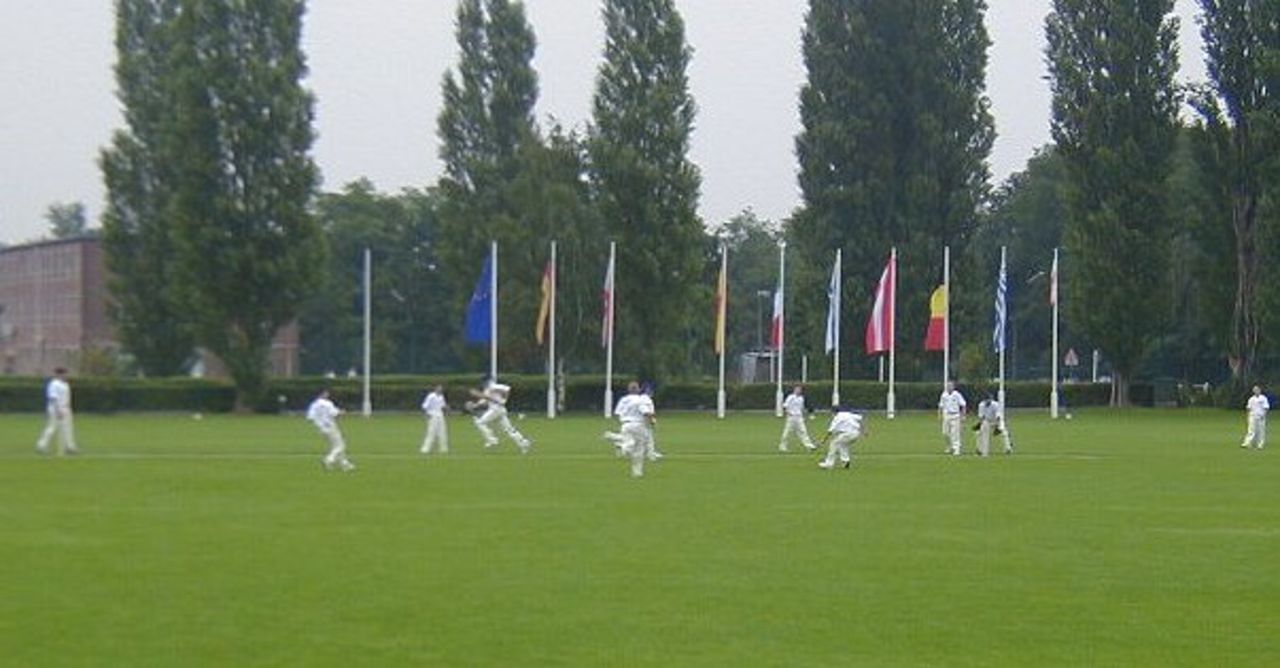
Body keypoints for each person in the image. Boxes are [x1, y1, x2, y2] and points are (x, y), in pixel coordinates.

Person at [605, 381, 656, 477]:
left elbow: (618, 413)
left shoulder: (624, 400)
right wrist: (651, 419)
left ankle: (622, 445)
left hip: (625, 425)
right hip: (638, 424)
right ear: (638, 389)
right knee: (639, 449)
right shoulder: (640, 400)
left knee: (629, 441)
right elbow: (645, 412)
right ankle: (637, 471)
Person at [471, 378, 532, 453]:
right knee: (509, 430)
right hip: (499, 410)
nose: (483, 385)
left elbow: (507, 389)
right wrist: (475, 405)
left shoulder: (493, 386)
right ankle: (524, 443)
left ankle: (492, 440)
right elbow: (485, 400)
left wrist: (504, 400)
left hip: (496, 410)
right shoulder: (487, 389)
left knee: (479, 422)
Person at [307, 388, 354, 472]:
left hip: (321, 429)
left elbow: (310, 418)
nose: (327, 395)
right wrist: (342, 412)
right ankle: (329, 459)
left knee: (335, 445)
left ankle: (344, 464)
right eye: (326, 393)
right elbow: (334, 414)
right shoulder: (328, 403)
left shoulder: (314, 404)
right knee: (340, 446)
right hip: (331, 426)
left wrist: (319, 422)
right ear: (322, 394)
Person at [36, 367, 78, 456]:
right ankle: (42, 445)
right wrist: (58, 410)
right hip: (56, 408)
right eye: (64, 374)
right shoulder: (54, 384)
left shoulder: (65, 384)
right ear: (59, 374)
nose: (66, 376)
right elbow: (53, 398)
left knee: (68, 428)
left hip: (65, 407)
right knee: (52, 427)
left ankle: (69, 446)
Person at [818, 405, 864, 470]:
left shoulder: (837, 417)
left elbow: (830, 431)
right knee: (842, 445)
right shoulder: (848, 414)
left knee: (834, 443)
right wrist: (864, 431)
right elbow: (861, 418)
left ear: (833, 412)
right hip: (856, 434)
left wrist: (823, 440)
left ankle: (829, 463)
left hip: (848, 434)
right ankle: (846, 461)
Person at [778, 385, 818, 452]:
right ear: (794, 390)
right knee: (787, 432)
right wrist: (788, 412)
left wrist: (805, 414)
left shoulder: (801, 398)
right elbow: (785, 405)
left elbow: (801, 408)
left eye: (799, 390)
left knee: (803, 431)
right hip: (791, 417)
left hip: (799, 417)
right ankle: (782, 446)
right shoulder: (790, 397)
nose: (798, 391)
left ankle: (809, 446)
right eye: (797, 389)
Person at [938, 381, 967, 456]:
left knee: (955, 433)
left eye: (950, 386)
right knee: (945, 433)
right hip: (946, 415)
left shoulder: (957, 394)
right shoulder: (944, 395)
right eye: (948, 386)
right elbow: (941, 405)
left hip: (955, 415)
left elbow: (963, 405)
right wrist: (940, 415)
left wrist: (963, 415)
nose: (949, 387)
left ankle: (956, 449)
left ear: (953, 387)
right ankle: (949, 446)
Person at [420, 384, 449, 454]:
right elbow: (424, 406)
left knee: (442, 432)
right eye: (439, 388)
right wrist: (426, 414)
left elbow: (443, 406)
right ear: (435, 389)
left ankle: (443, 449)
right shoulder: (431, 396)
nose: (440, 389)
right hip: (432, 415)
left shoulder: (441, 396)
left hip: (440, 415)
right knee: (431, 432)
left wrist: (447, 408)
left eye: (441, 388)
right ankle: (425, 449)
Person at [1241, 384, 1269, 450]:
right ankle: (1247, 443)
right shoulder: (1251, 399)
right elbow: (1248, 408)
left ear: (1260, 390)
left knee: (1260, 431)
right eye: (1254, 389)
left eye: (1257, 389)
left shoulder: (1263, 398)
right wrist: (1248, 416)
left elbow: (1266, 407)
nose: (1256, 391)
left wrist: (1264, 415)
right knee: (1251, 430)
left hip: (1261, 416)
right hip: (1252, 416)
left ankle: (1260, 445)